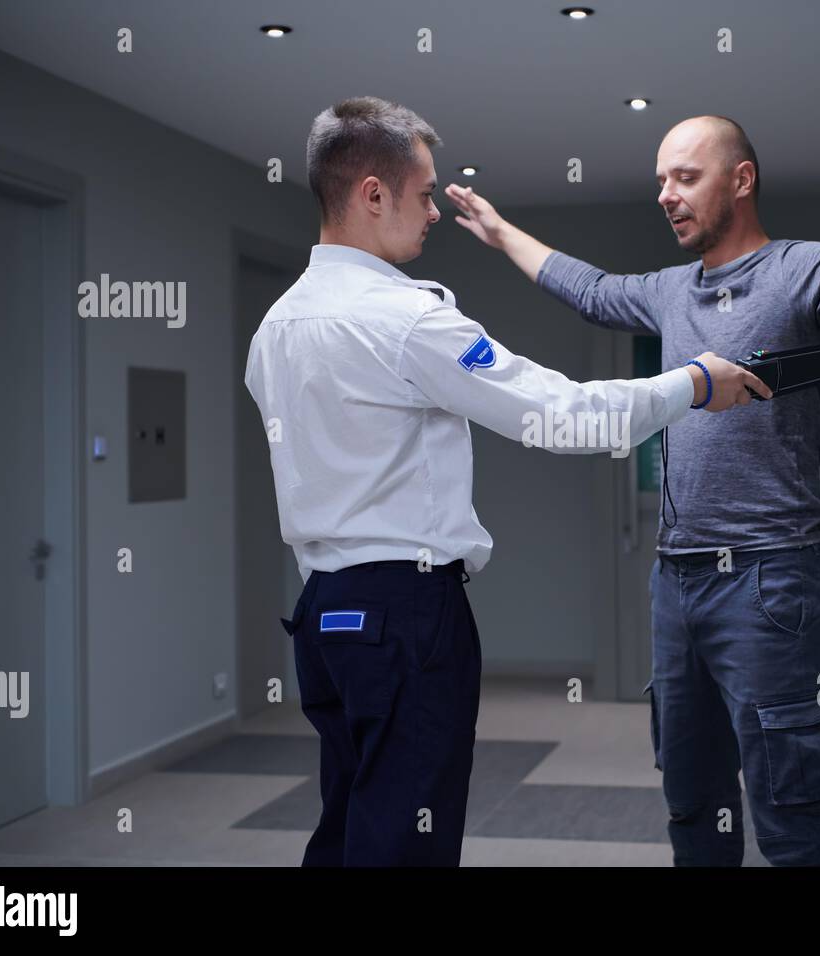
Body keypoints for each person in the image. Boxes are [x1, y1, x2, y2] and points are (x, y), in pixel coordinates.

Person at [445, 112, 820, 865]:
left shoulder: (798, 271)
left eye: (685, 177)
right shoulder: (670, 290)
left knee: (795, 815)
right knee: (693, 806)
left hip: (770, 580)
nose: (666, 195)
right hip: (678, 582)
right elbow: (590, 290)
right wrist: (500, 230)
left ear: (741, 180)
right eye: (660, 182)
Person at [242, 96, 770, 867]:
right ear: (373, 194)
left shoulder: (275, 327)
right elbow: (563, 415)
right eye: (424, 196)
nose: (431, 214)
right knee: (404, 844)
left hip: (324, 617)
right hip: (405, 616)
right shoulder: (406, 320)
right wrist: (691, 383)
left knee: (350, 825)